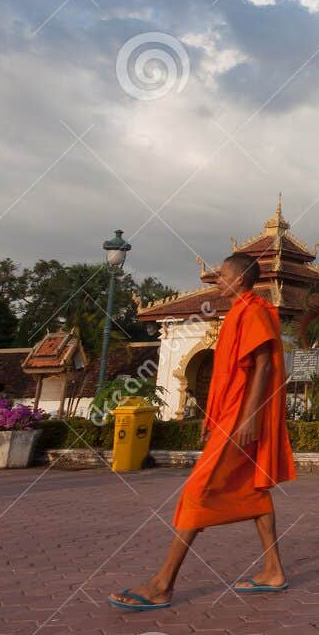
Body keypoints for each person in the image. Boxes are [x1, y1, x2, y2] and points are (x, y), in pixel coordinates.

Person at [110, 253, 295, 611]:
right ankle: (273, 570)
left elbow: (261, 368)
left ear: (240, 279)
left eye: (223, 276)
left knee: (197, 490)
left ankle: (163, 583)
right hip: (231, 416)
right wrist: (213, 419)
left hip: (243, 417)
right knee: (254, 489)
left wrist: (250, 417)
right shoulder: (237, 313)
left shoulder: (254, 311)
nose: (217, 281)